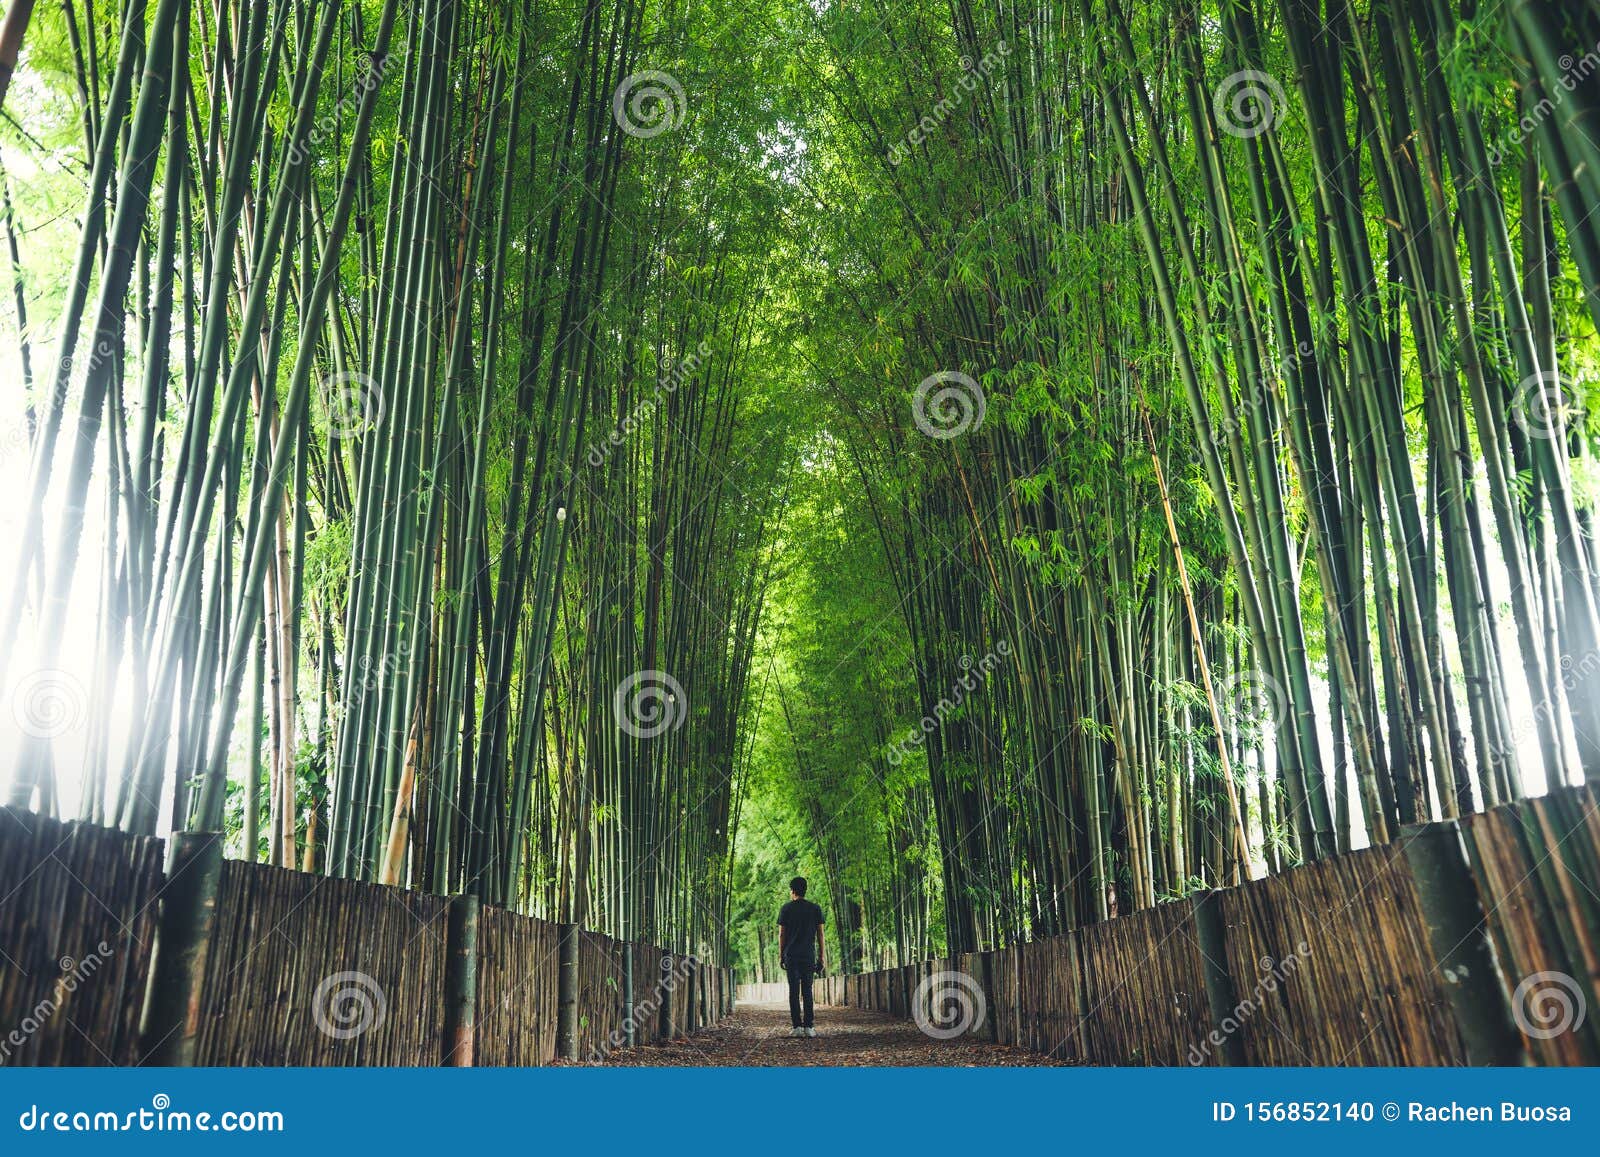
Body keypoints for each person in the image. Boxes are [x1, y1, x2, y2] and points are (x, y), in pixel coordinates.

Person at [777, 876, 825, 1038]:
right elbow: (820, 935)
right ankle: (809, 1027)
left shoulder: (786, 909)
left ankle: (797, 1026)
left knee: (793, 991)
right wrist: (821, 957)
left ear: (792, 891)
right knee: (807, 991)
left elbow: (782, 934)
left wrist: (781, 955)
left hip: (791, 956)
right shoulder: (815, 908)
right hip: (808, 955)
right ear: (805, 890)